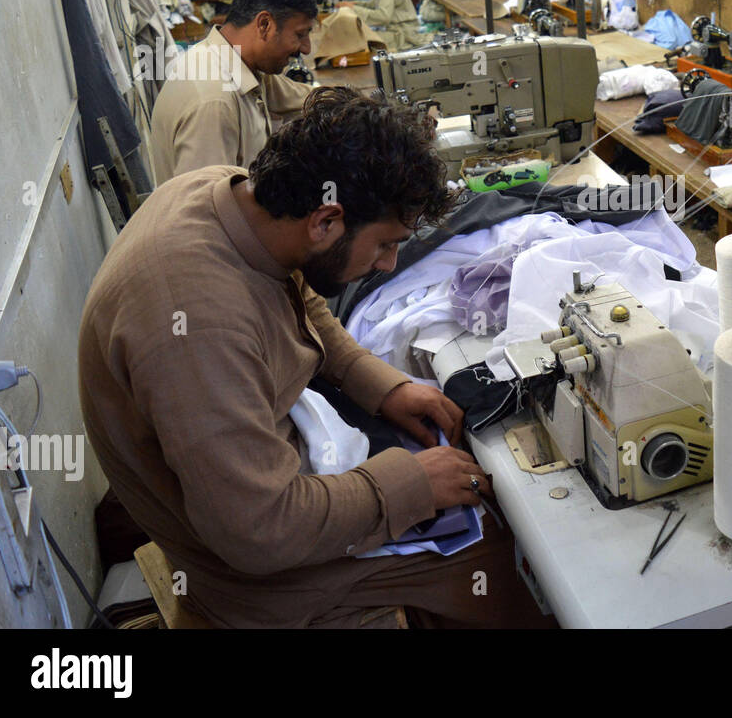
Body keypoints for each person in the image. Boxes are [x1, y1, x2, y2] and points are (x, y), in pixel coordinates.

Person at [80, 87, 553, 629]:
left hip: (251, 483)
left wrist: (379, 384)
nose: (388, 264)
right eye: (383, 245)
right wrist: (410, 485)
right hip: (250, 574)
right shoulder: (198, 327)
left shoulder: (224, 194)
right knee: (508, 549)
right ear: (326, 222)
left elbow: (301, 297)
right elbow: (259, 532)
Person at [150, 0, 317, 183]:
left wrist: (355, 104)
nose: (306, 48)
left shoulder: (242, 64)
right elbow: (202, 211)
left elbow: (303, 97)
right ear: (264, 24)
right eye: (300, 34)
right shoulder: (214, 103)